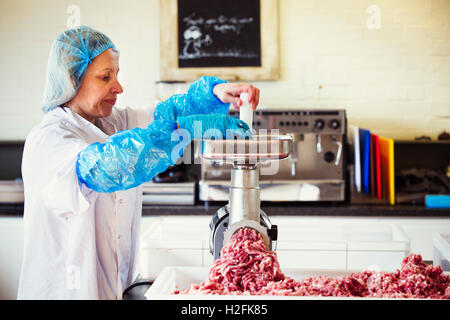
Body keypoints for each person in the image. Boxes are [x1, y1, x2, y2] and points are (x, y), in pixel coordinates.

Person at [17, 26, 260, 300]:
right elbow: (105, 167)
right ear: (72, 80)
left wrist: (215, 93)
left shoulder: (111, 122)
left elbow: (166, 112)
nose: (118, 87)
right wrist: (181, 130)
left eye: (116, 75)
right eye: (105, 77)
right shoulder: (49, 139)